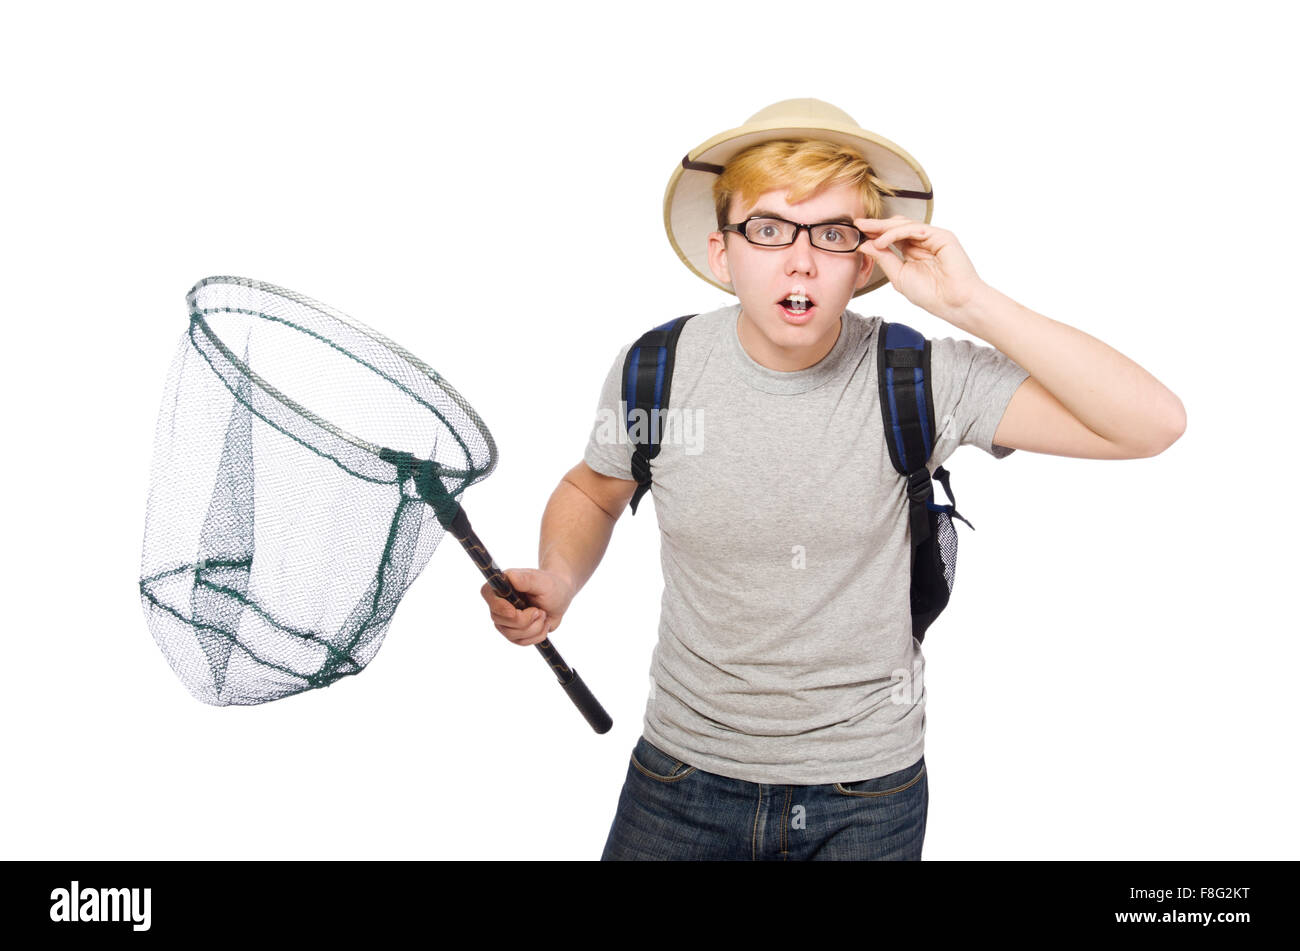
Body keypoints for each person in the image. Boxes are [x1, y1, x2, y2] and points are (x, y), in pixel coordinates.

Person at [479, 98, 1186, 860]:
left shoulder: (917, 377)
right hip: (679, 777)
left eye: (834, 234)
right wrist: (558, 575)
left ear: (866, 258)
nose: (801, 260)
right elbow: (595, 488)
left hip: (866, 795)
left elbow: (1151, 423)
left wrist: (970, 301)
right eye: (770, 229)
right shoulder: (659, 370)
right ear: (724, 253)